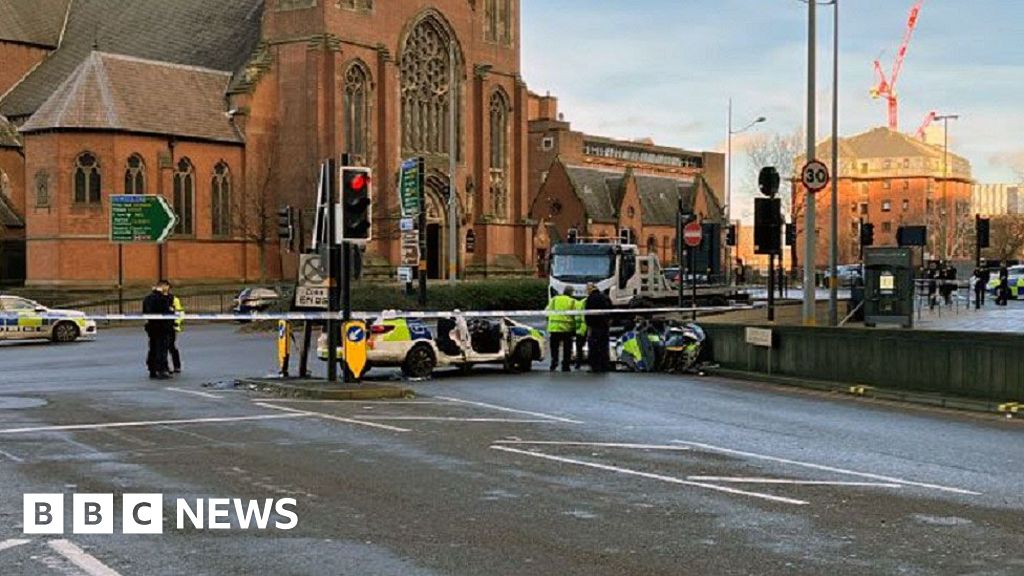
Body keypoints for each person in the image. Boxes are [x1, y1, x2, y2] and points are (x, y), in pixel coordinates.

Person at [143, 280, 174, 379]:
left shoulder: (147, 298)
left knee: (153, 348)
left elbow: (145, 311)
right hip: (162, 327)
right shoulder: (162, 298)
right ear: (163, 287)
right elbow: (166, 310)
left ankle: (152, 369)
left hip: (152, 327)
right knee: (162, 349)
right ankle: (162, 370)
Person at [545, 286, 576, 372]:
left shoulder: (554, 299)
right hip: (566, 329)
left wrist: (550, 320)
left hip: (554, 328)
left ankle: (554, 363)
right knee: (567, 349)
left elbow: (547, 312)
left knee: (554, 348)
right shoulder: (572, 301)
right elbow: (575, 315)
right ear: (571, 293)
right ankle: (565, 365)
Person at [584, 283, 613, 373]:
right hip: (604, 326)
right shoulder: (605, 297)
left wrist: (588, 326)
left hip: (594, 326)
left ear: (590, 289)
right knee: (604, 346)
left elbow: (588, 314)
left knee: (594, 347)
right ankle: (604, 365)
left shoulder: (590, 299)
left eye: (587, 289)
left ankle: (595, 366)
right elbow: (611, 310)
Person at [167, 286, 184, 373]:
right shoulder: (161, 299)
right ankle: (166, 366)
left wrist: (177, 323)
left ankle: (177, 366)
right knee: (163, 347)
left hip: (172, 327)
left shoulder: (174, 299)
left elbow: (180, 312)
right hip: (163, 326)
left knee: (171, 346)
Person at [573, 295, 587, 371]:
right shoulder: (585, 302)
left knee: (579, 347)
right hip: (585, 327)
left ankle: (578, 363)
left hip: (580, 329)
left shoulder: (576, 303)